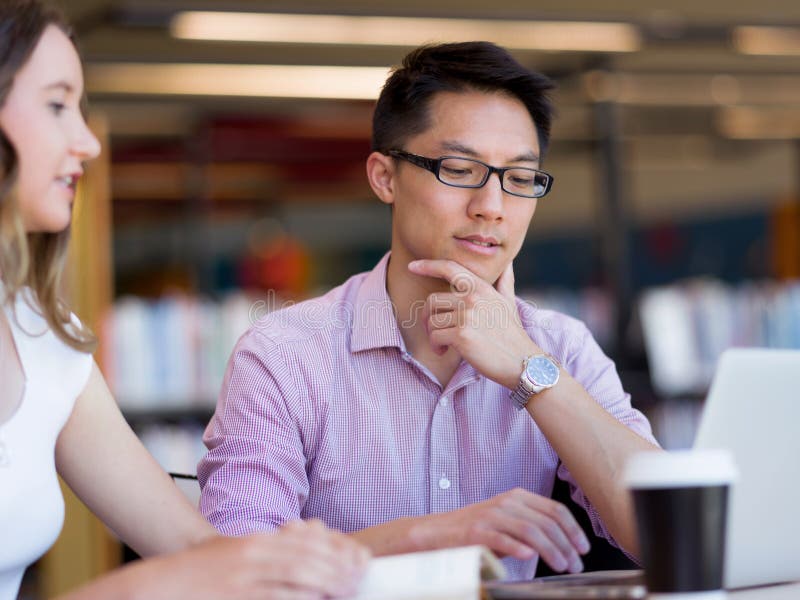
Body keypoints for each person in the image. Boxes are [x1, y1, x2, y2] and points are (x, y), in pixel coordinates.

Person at [198, 41, 661, 581]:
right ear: (385, 177)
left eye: (519, 178)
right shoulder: (285, 354)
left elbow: (666, 532)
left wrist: (530, 370)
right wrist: (428, 537)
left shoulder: (559, 346)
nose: (491, 207)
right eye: (459, 169)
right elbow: (235, 571)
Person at [0, 2, 369, 599]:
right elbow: (186, 569)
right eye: (56, 104)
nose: (87, 142)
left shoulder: (44, 335)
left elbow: (196, 548)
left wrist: (381, 551)